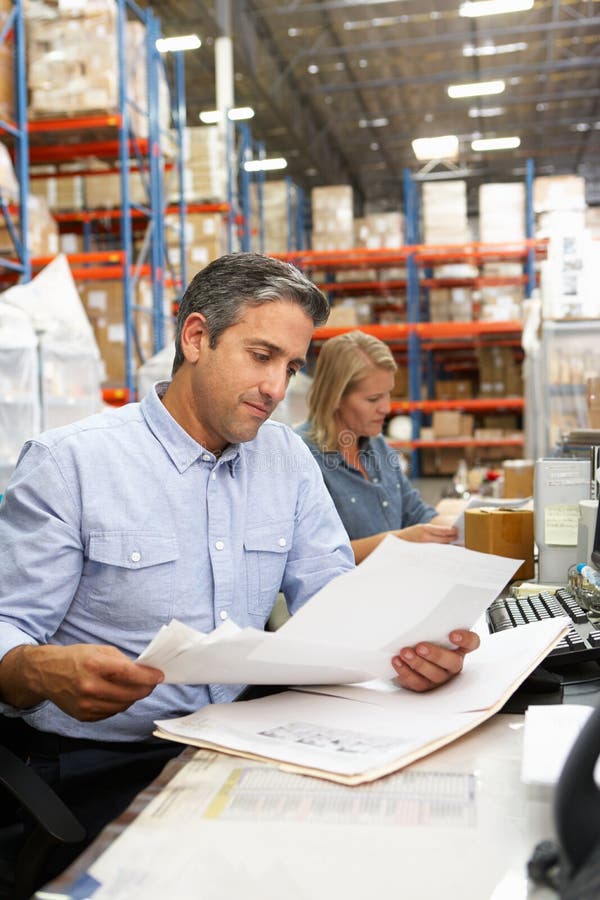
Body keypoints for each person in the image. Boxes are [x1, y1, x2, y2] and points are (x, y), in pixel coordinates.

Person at [0, 253, 478, 891]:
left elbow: (337, 606)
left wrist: (412, 648)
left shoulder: (286, 461)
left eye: (291, 367)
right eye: (261, 356)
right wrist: (35, 669)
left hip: (244, 744)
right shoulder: (72, 465)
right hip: (101, 767)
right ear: (196, 338)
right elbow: (8, 626)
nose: (278, 388)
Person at [296, 330, 458, 564]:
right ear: (336, 397)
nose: (386, 407)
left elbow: (416, 513)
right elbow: (313, 556)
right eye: (373, 399)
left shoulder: (377, 445)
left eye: (387, 394)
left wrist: (472, 522)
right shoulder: (301, 455)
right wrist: (400, 541)